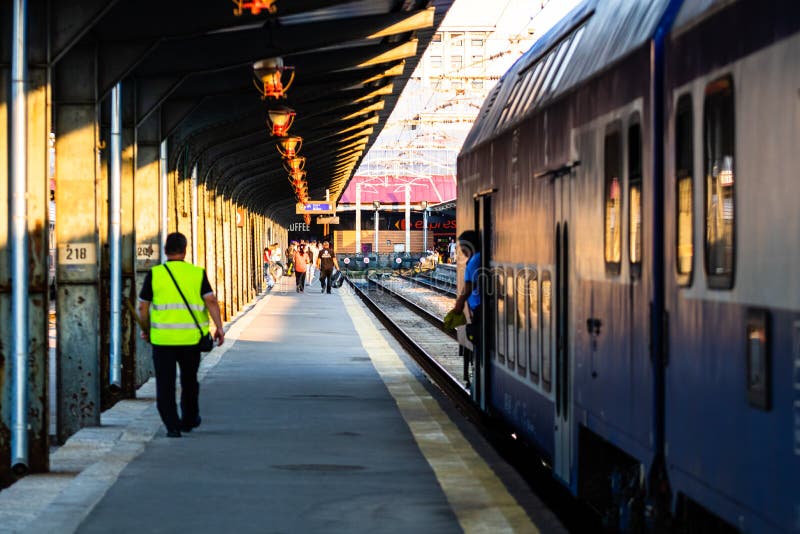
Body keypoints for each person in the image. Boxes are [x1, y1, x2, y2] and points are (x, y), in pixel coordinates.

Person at [138, 232, 224, 438]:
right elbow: (210, 301)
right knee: (189, 380)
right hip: (191, 340)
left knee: (165, 383)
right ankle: (189, 419)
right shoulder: (196, 273)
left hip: (162, 340)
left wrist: (146, 330)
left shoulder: (155, 274)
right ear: (185, 250)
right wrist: (219, 327)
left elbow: (142, 306)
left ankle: (171, 425)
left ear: (166, 250)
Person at [450, 230, 481, 343]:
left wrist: (460, 302)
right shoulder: (477, 258)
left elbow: (469, 285)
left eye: (463, 246)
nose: (462, 250)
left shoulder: (474, 260)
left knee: (478, 340)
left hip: (479, 308)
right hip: (478, 308)